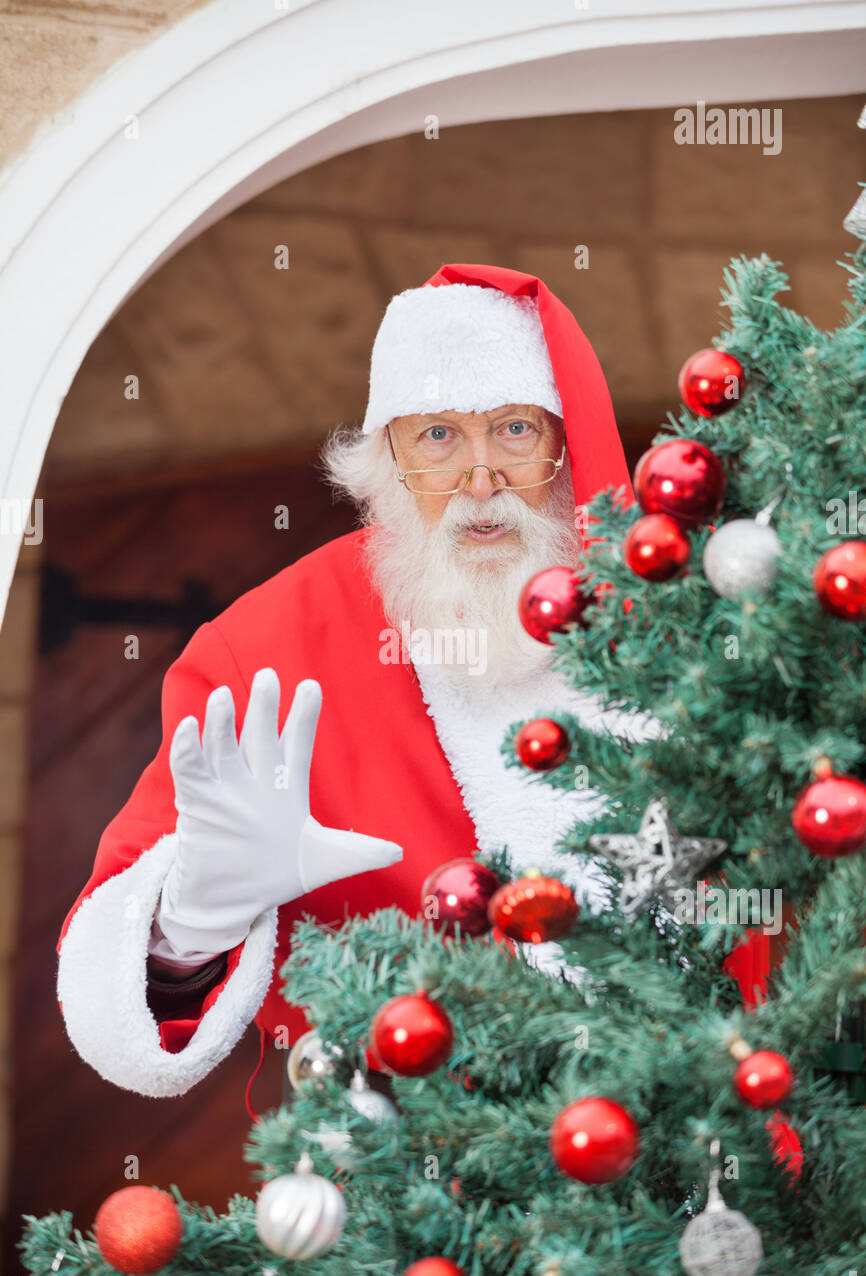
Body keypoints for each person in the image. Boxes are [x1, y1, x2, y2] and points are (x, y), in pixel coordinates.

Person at [55, 262, 640, 1110]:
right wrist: (193, 921)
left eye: (515, 430)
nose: (482, 479)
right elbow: (121, 996)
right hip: (404, 1175)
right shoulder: (264, 648)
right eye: (438, 437)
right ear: (385, 459)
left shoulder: (668, 609)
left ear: (565, 443)